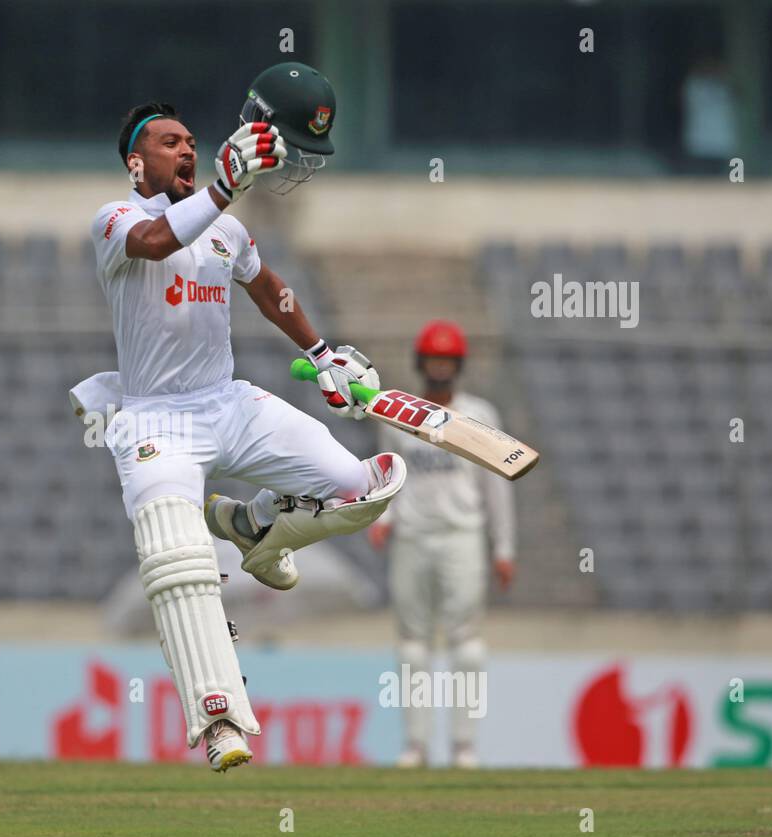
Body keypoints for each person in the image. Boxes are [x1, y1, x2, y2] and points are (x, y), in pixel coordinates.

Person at [77, 63, 406, 773]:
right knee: (176, 558)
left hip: (227, 403)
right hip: (155, 421)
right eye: (169, 142)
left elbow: (270, 289)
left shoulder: (225, 233)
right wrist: (226, 187)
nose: (185, 148)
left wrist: (324, 356)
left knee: (365, 486)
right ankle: (220, 719)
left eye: (192, 140)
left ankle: (255, 524)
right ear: (136, 162)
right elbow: (160, 243)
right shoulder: (116, 220)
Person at [367, 320, 516, 768]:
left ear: (459, 366)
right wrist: (385, 517)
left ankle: (464, 747)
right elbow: (391, 474)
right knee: (412, 643)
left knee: (466, 642)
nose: (440, 368)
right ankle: (415, 745)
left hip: (462, 535)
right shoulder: (398, 413)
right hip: (413, 536)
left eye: (447, 361)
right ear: (420, 363)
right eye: (434, 360)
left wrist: (504, 548)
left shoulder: (481, 415)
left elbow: (498, 486)